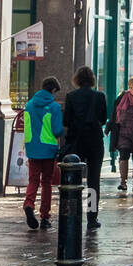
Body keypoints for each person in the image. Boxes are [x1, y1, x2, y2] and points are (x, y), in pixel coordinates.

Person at [63, 66, 108, 230]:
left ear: (77, 79)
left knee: (73, 179)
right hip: (95, 141)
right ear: (92, 79)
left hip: (77, 141)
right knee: (93, 180)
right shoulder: (100, 96)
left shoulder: (71, 96)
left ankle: (73, 214)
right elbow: (103, 118)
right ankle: (92, 217)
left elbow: (66, 121)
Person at [22, 76, 64, 230]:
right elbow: (57, 130)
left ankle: (28, 204)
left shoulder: (29, 104)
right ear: (53, 90)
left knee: (33, 180)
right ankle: (45, 217)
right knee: (46, 182)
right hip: (49, 149)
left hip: (32, 148)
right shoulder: (54, 107)